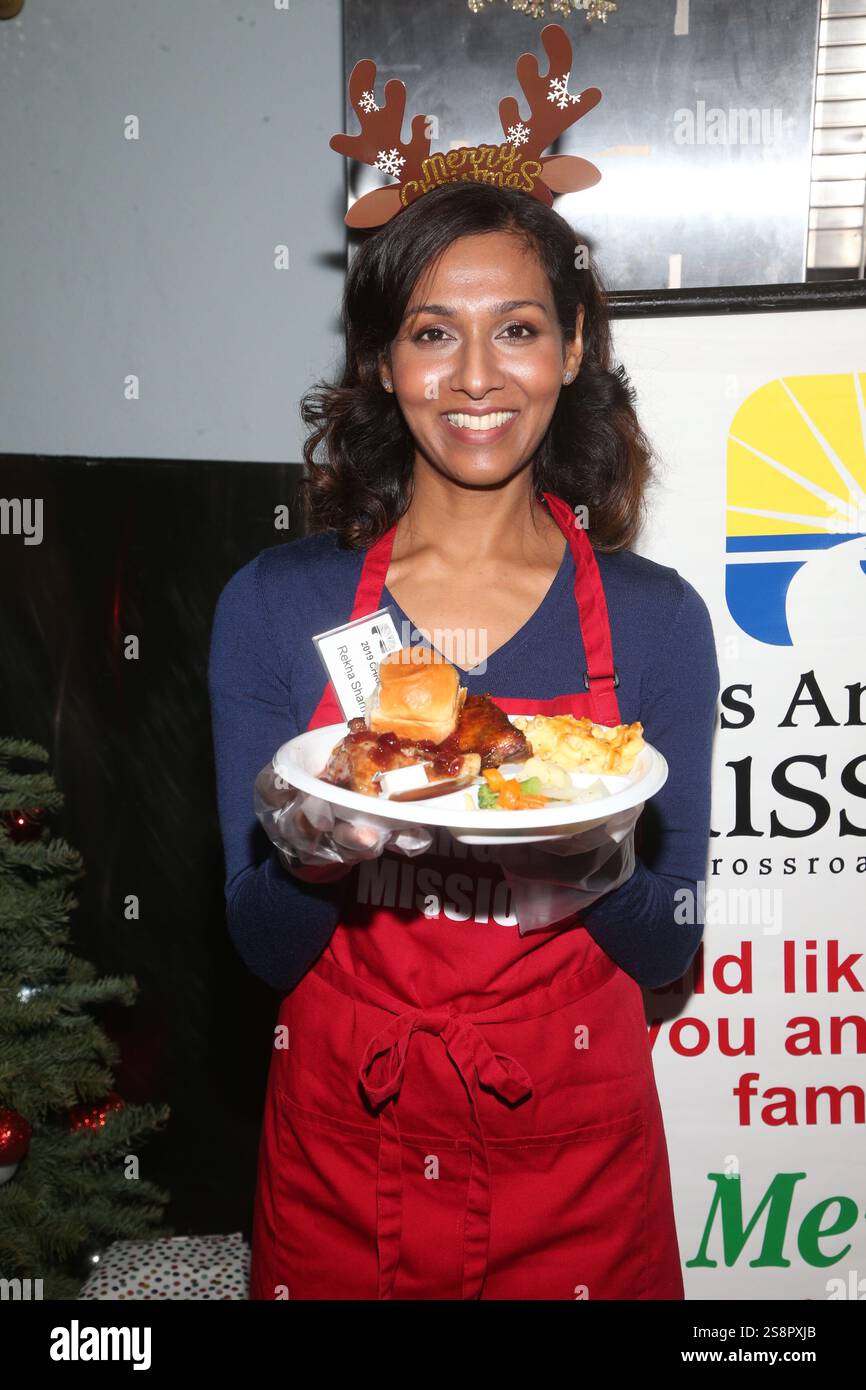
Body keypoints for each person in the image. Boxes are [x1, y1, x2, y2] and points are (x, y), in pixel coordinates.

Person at [208, 179, 720, 1300]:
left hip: (573, 1175)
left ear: (573, 347)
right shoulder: (274, 604)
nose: (476, 377)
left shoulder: (653, 618)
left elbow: (667, 945)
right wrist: (312, 849)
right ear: (383, 364)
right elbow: (260, 950)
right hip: (344, 1157)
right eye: (433, 333)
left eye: (519, 330)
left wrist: (592, 860)